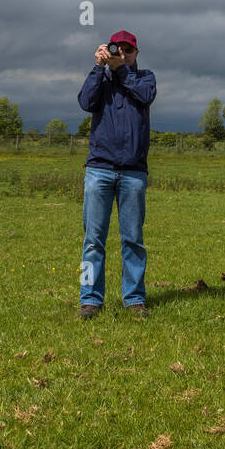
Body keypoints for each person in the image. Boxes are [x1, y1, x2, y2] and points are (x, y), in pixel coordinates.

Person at [77, 30, 157, 318]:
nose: (123, 54)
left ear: (136, 53)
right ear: (108, 50)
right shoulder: (102, 79)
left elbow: (145, 96)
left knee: (133, 239)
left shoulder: (145, 78)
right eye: (117, 50)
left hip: (133, 172)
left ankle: (134, 300)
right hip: (99, 169)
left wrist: (120, 70)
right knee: (93, 240)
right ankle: (90, 300)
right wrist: (99, 68)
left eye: (129, 50)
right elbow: (85, 102)